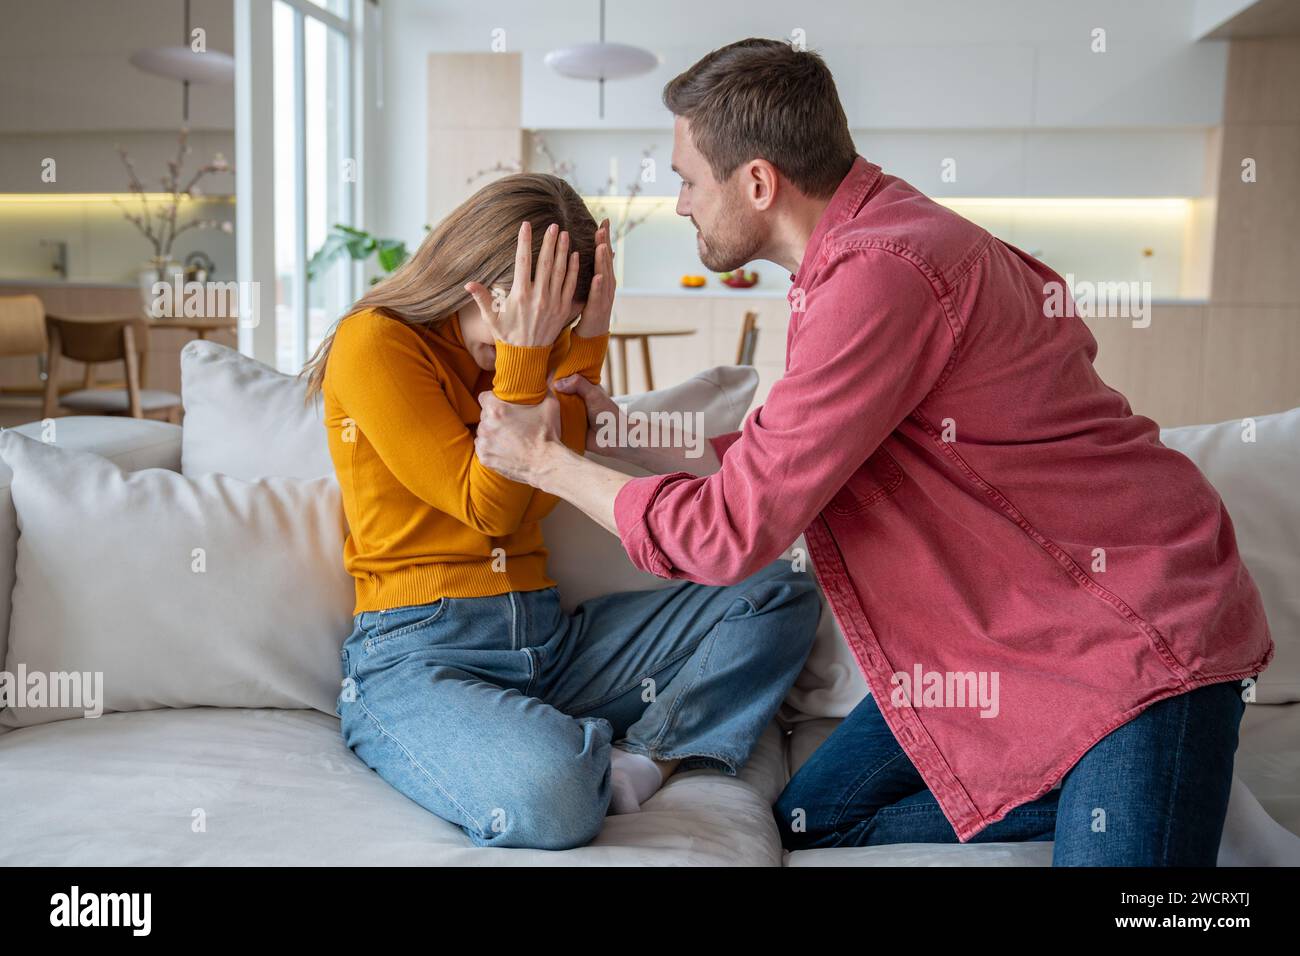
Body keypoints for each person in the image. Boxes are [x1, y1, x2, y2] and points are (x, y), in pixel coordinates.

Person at [471, 40, 1274, 866]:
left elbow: (728, 533)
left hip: (1125, 638)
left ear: (756, 181)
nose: (678, 204)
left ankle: (1153, 798)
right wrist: (626, 431)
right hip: (1006, 652)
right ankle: (1098, 792)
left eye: (686, 180)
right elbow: (783, 454)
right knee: (809, 826)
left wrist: (545, 464)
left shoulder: (881, 272)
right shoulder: (863, 250)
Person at [302, 172, 821, 851]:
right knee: (557, 800)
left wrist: (584, 343)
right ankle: (555, 749)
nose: (537, 342)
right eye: (530, 318)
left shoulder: (529, 355)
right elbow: (487, 506)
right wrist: (525, 359)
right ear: (473, 279)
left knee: (777, 585)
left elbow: (544, 484)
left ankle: (650, 757)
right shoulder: (375, 343)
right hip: (420, 654)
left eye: (562, 322)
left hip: (549, 643)